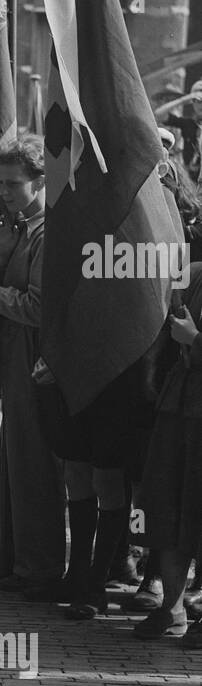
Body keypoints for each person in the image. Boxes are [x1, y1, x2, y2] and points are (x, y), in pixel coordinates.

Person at [0, 137, 66, 599]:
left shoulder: (47, 232)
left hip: (36, 359)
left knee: (34, 462)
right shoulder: (18, 227)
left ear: (40, 182)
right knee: (12, 459)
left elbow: (39, 306)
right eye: (0, 181)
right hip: (14, 357)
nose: (5, 190)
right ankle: (15, 554)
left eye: (14, 183)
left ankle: (41, 565)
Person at [133, 269, 202, 641]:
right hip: (178, 408)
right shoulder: (195, 277)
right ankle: (172, 608)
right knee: (166, 513)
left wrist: (195, 340)